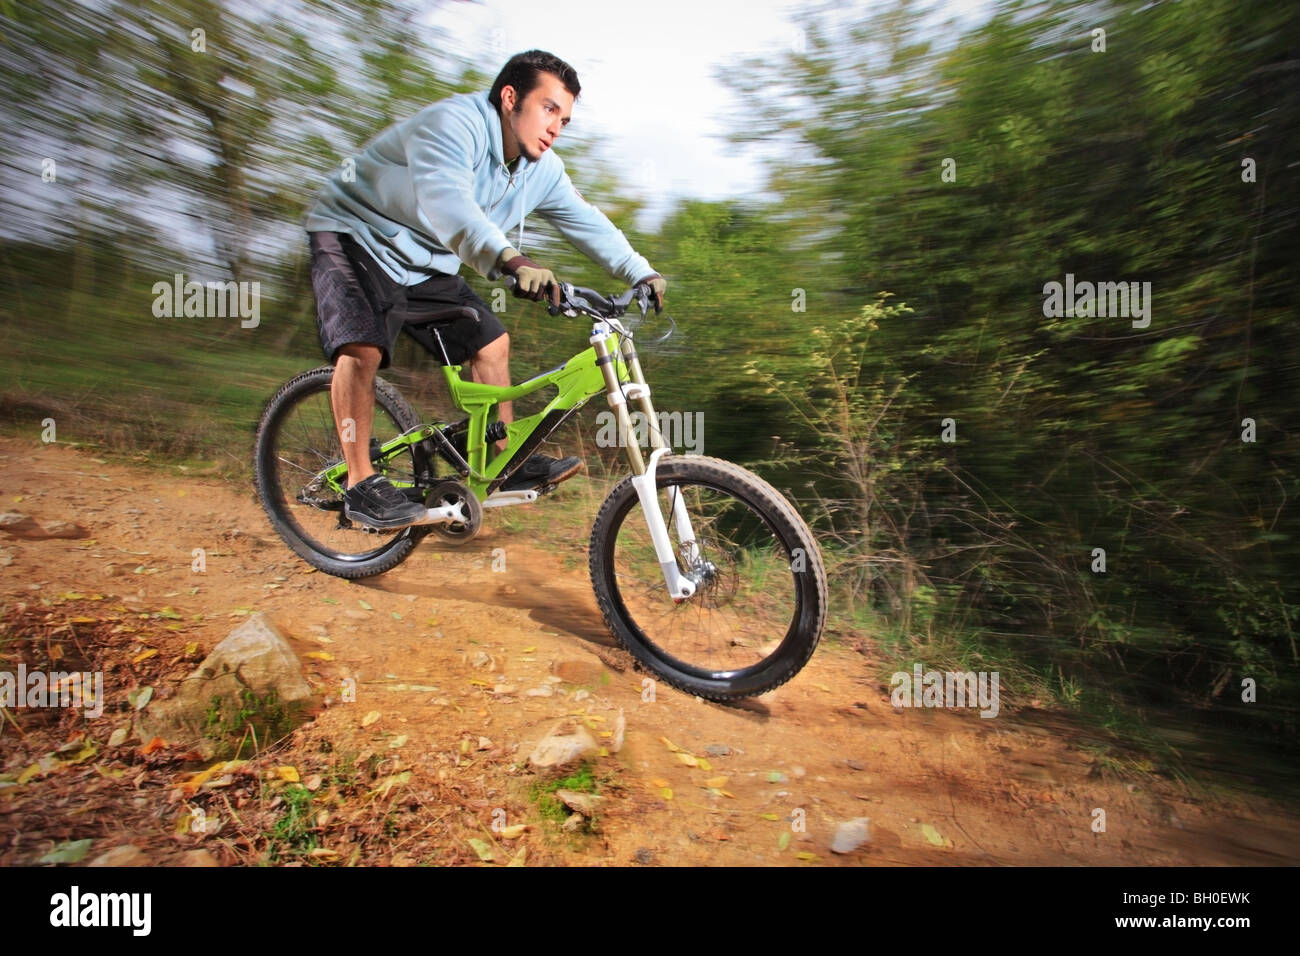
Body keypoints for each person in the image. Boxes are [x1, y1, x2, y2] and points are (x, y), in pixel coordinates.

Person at [304, 49, 667, 530]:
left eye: (566, 117)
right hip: (356, 233)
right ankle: (359, 483)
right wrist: (511, 260)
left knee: (492, 343)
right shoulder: (453, 125)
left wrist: (639, 271)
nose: (557, 125)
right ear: (510, 98)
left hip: (426, 260)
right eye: (549, 108)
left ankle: (504, 459)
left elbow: (588, 224)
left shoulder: (542, 169)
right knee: (364, 347)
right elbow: (449, 203)